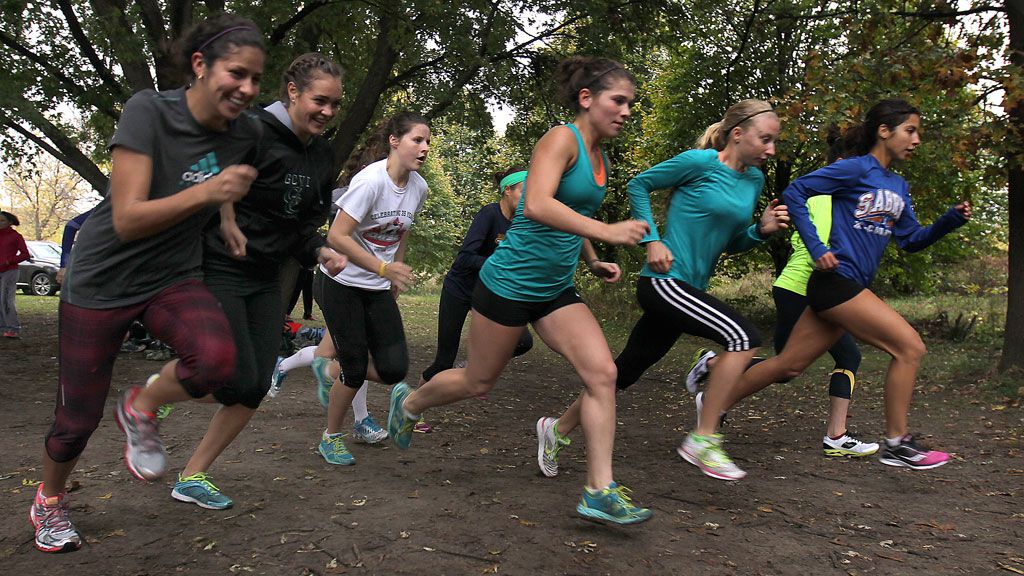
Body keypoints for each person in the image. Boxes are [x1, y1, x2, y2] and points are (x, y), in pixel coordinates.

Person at [31, 13, 264, 553]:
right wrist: (210, 197)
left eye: (256, 79)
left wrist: (227, 220)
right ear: (201, 65)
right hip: (101, 279)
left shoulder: (245, 131)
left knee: (216, 361)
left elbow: (224, 179)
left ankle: (142, 405)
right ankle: (48, 500)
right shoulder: (148, 112)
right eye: (237, 73)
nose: (247, 89)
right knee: (76, 419)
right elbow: (127, 218)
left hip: (172, 276)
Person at [387, 57, 652, 525]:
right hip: (507, 285)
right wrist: (608, 231)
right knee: (478, 381)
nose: (627, 110)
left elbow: (571, 214)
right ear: (587, 99)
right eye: (619, 100)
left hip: (554, 289)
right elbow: (538, 203)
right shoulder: (559, 139)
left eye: (631, 102)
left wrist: (592, 258)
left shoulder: (600, 156)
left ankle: (599, 489)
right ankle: (409, 403)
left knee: (603, 374)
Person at [535, 99, 790, 483]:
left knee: (624, 372)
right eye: (765, 139)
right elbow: (640, 183)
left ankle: (556, 430)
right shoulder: (700, 162)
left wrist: (760, 231)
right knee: (743, 337)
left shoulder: (752, 181)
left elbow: (730, 241)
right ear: (738, 135)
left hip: (690, 289)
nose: (771, 150)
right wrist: (652, 240)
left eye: (775, 142)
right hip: (664, 282)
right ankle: (704, 438)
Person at [722, 98, 970, 471]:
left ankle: (713, 406)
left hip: (846, 286)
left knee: (787, 366)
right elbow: (795, 193)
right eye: (910, 130)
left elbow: (911, 240)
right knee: (910, 347)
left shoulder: (898, 187)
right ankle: (897, 443)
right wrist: (818, 246)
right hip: (836, 283)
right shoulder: (855, 170)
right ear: (884, 132)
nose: (916, 140)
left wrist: (949, 221)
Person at [170, 52, 349, 510]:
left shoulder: (322, 153)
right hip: (220, 266)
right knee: (227, 376)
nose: (327, 112)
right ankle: (154, 393)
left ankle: (192, 475)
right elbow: (212, 178)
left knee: (251, 387)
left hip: (267, 278)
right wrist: (226, 219)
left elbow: (303, 225)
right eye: (319, 100)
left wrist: (320, 250)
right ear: (293, 91)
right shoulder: (251, 130)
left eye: (335, 104)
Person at [685, 125, 878, 458]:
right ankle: (716, 385)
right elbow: (819, 247)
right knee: (790, 366)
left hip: (820, 291)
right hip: (802, 289)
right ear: (847, 161)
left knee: (829, 359)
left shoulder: (842, 197)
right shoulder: (823, 196)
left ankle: (835, 434)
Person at [315, 112, 430, 466]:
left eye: (428, 142)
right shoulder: (370, 182)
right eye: (417, 140)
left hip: (378, 287)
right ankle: (331, 437)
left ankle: (326, 369)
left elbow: (403, 231)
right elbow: (336, 236)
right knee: (354, 365)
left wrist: (393, 275)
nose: (425, 148)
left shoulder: (419, 188)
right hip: (340, 282)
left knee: (394, 369)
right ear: (394, 141)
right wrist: (383, 267)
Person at [419, 167, 535, 388]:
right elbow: (465, 259)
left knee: (523, 341)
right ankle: (409, 405)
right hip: (460, 290)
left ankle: (474, 365)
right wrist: (498, 266)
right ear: (507, 191)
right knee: (444, 361)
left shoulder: (523, 223)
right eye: (524, 192)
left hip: (489, 292)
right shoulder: (489, 215)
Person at [0, 210, 30, 338]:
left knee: (7, 300)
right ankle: (3, 327)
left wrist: (9, 261)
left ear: (10, 222)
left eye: (2, 221)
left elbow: (25, 254)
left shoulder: (15, 236)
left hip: (9, 271)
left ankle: (13, 327)